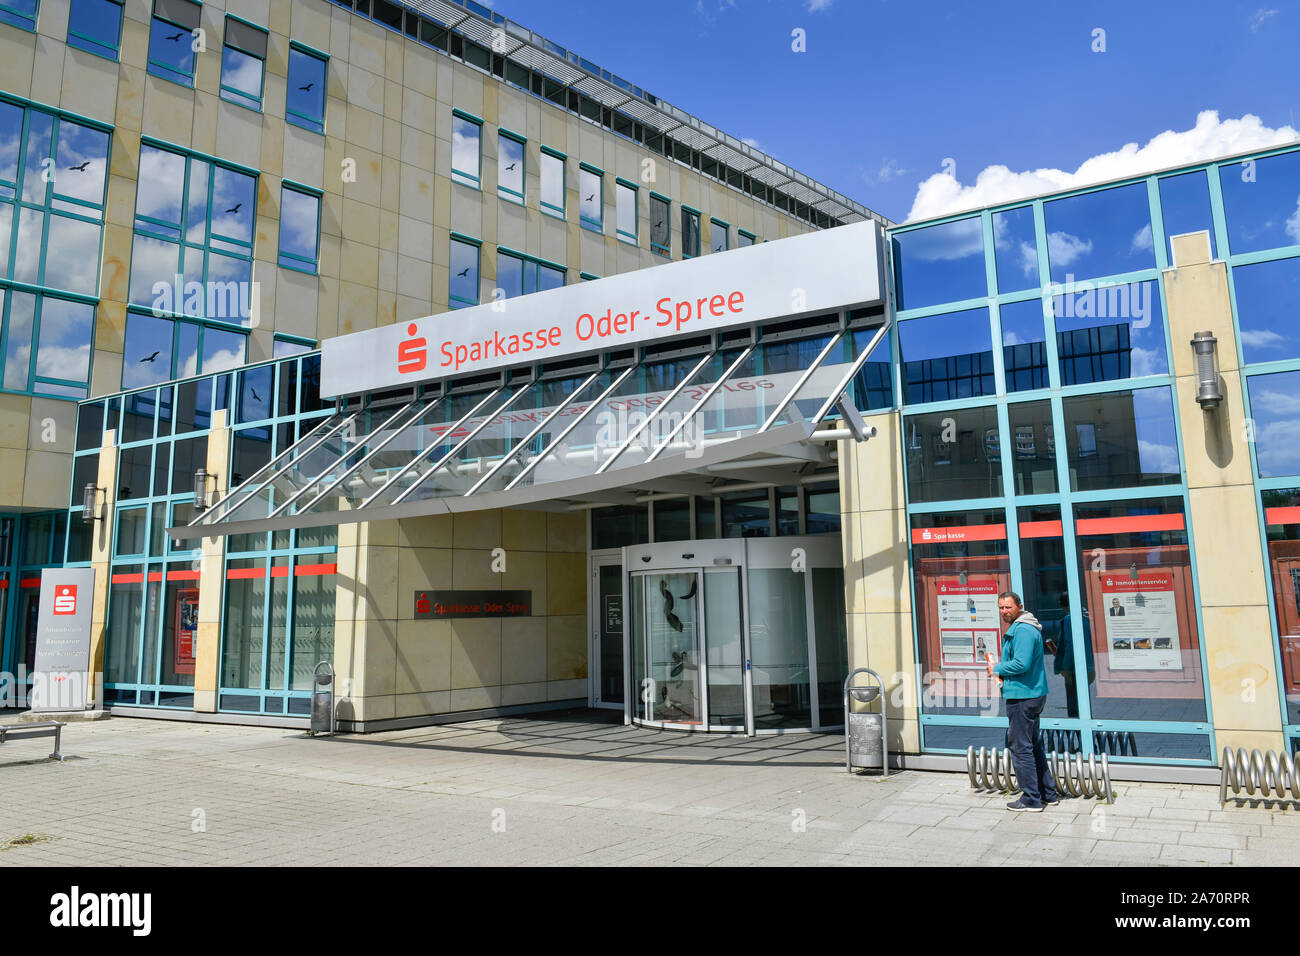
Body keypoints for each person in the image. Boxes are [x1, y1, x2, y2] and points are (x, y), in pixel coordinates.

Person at [987, 591, 1059, 812]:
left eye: (1008, 607)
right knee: (1033, 745)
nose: (1004, 611)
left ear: (1019, 606)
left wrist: (996, 668)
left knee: (1021, 748)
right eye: (1001, 607)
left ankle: (1031, 799)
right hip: (1028, 693)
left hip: (1023, 696)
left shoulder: (1024, 630)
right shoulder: (1022, 627)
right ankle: (1047, 794)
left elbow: (1021, 664)